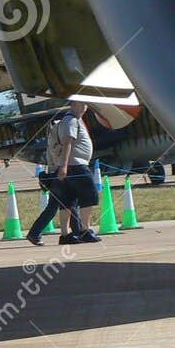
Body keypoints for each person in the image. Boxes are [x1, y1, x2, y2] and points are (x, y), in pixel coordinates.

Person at [26, 101, 100, 246]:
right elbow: (68, 143)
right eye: (82, 103)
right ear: (73, 104)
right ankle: (84, 230)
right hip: (75, 166)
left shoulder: (72, 120)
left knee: (66, 201)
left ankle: (67, 234)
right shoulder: (70, 120)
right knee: (89, 196)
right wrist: (64, 166)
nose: (85, 106)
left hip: (68, 166)